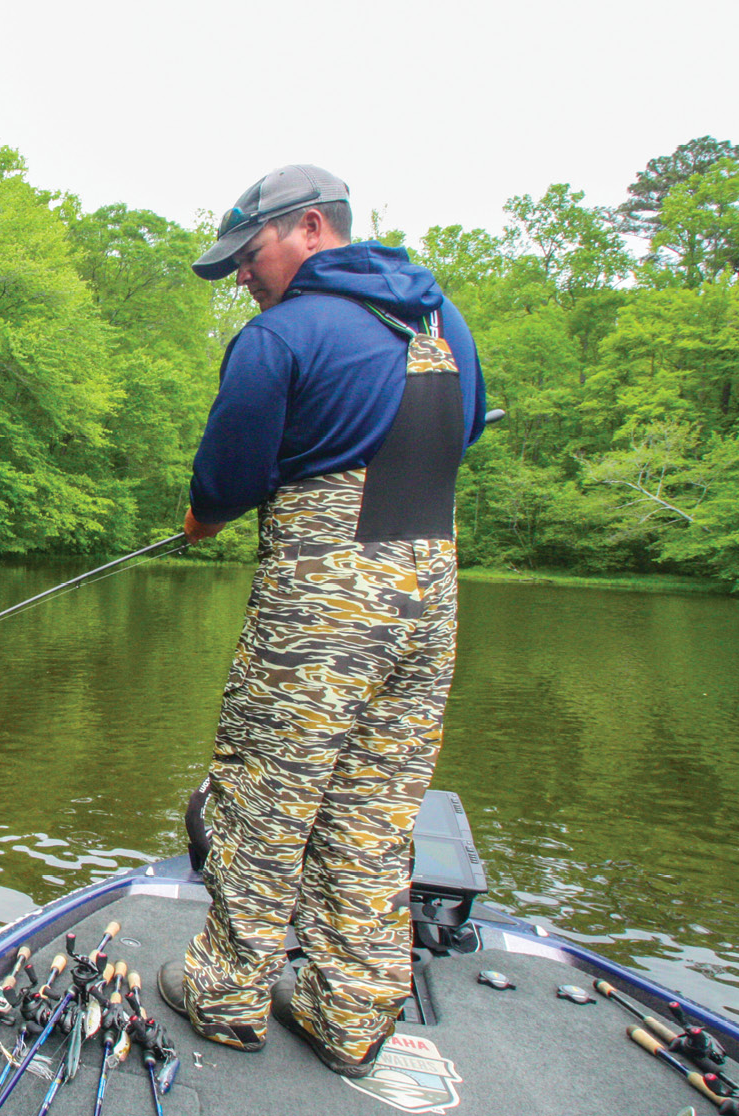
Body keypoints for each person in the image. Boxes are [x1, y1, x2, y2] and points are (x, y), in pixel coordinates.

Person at [158, 165, 488, 1078]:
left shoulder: (278, 336)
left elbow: (223, 484)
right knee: (375, 810)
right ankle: (346, 1010)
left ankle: (226, 994)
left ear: (310, 227)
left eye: (248, 256)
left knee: (265, 797)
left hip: (322, 609)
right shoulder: (442, 321)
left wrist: (202, 521)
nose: (241, 277)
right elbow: (464, 435)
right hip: (430, 599)